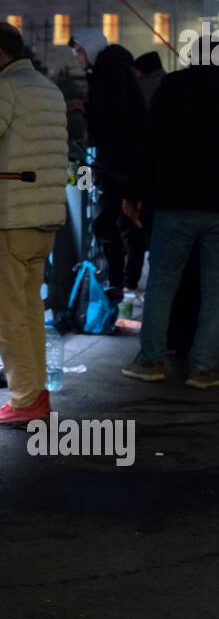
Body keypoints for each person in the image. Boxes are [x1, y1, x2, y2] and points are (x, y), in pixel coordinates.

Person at [0, 22, 69, 425]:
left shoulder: (5, 88)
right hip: (45, 217)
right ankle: (35, 393)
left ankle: (26, 398)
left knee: (8, 314)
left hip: (12, 218)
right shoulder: (50, 89)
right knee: (30, 309)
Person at [122, 58, 219, 387]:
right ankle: (204, 368)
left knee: (162, 284)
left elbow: (149, 143)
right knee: (214, 290)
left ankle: (151, 361)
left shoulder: (172, 87)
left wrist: (133, 193)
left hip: (174, 202)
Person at [84, 45, 147, 301]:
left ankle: (118, 283)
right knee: (128, 225)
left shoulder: (108, 72)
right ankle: (126, 282)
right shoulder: (126, 77)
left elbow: (107, 115)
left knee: (106, 223)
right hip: (130, 166)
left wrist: (87, 111)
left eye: (79, 50)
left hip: (114, 165)